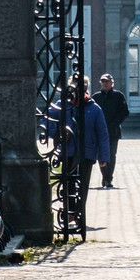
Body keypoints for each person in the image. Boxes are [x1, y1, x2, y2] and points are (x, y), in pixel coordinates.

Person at [45, 76, 110, 223]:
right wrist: (57, 133)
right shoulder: (62, 106)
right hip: (68, 151)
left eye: (82, 88)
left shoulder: (94, 109)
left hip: (87, 153)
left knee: (83, 184)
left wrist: (103, 158)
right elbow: (46, 119)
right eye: (75, 89)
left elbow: (103, 134)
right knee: (68, 183)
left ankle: (79, 213)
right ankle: (69, 212)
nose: (78, 92)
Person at [92, 72, 129, 188]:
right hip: (99, 131)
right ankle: (104, 176)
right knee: (101, 155)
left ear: (112, 83)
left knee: (111, 154)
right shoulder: (96, 97)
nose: (105, 83)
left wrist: (114, 123)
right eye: (103, 81)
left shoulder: (119, 96)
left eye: (107, 81)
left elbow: (124, 112)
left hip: (113, 131)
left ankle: (109, 178)